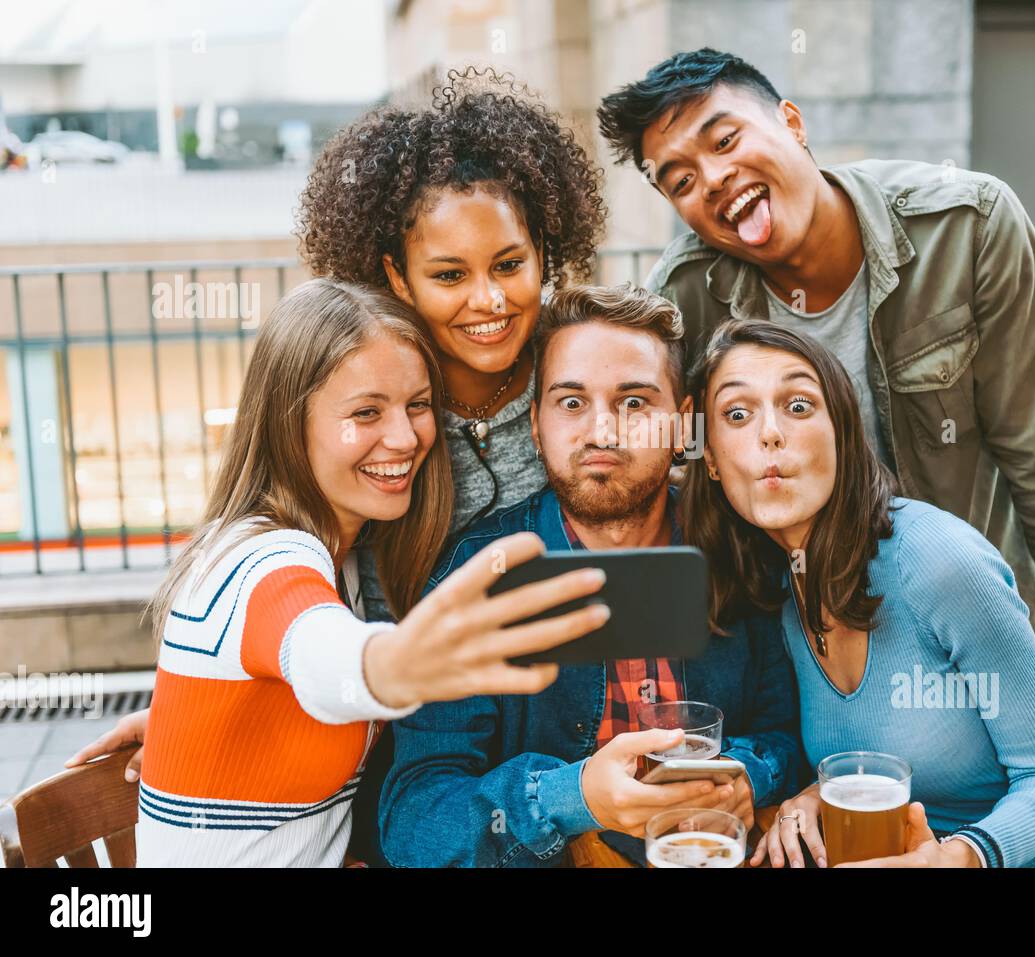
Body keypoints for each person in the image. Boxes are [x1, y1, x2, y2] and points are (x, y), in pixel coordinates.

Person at [597, 48, 1035, 725]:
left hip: (963, 638)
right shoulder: (684, 295)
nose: (714, 178)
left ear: (793, 123)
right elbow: (656, 470)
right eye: (680, 180)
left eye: (725, 139)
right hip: (802, 651)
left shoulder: (970, 226)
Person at [68, 68, 610, 786]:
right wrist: (212, 697)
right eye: (449, 275)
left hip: (568, 735)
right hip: (405, 762)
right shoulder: (375, 411)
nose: (489, 299)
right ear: (396, 273)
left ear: (545, 251)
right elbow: (283, 562)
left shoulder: (582, 380)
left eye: (510, 264)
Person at [127, 279, 608, 867]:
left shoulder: (347, 559)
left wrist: (204, 718)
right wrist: (398, 664)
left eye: (417, 405)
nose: (405, 438)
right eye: (366, 412)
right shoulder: (263, 558)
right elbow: (318, 649)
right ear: (288, 423)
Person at [684, 318, 1035, 868]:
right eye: (737, 415)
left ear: (843, 432)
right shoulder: (781, 585)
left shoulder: (940, 561)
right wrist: (812, 795)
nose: (769, 434)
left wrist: (956, 858)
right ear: (711, 458)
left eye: (800, 406)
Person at [379, 285, 802, 867]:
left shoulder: (741, 550)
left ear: (682, 425)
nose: (602, 432)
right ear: (536, 425)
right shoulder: (475, 577)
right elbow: (414, 821)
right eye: (572, 403)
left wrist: (747, 775)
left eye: (634, 403)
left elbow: (789, 731)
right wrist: (572, 799)